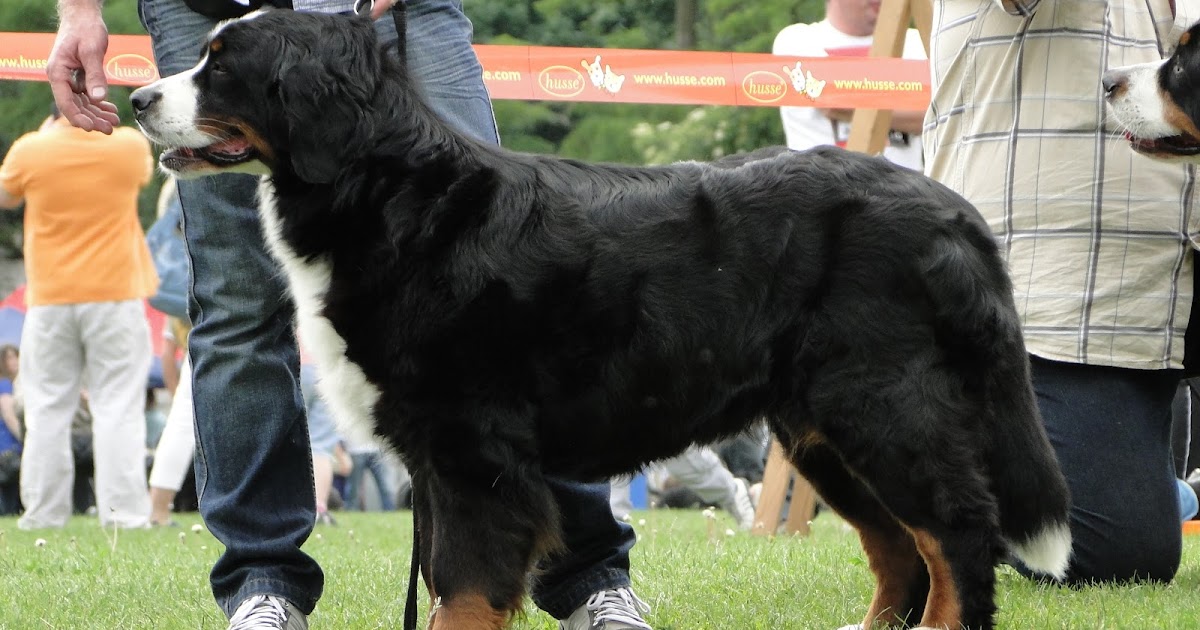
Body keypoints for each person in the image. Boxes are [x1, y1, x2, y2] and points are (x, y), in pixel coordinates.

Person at [49, 1, 651, 628]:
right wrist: (79, 10)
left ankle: (589, 578)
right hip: (204, 5)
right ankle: (264, 586)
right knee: (238, 309)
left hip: (400, 9)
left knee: (501, 276)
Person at [923, 0, 1200, 584]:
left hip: (1174, 272)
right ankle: (974, 461)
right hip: (1065, 294)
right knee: (1115, 558)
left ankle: (1144, 470)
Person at [0, 104, 156, 531]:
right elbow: (142, 176)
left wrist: (46, 133)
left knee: (47, 408)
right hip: (116, 293)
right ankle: (124, 515)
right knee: (118, 407)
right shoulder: (127, 145)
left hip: (50, 297)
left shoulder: (31, 149)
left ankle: (43, 514)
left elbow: (6, 197)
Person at [772, 0, 926, 169]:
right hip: (821, 189)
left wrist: (853, 106)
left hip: (904, 190)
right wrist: (906, 107)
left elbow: (939, 113)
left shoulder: (918, 42)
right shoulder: (797, 40)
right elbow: (829, 98)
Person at [0, 344, 22, 516]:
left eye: (15, 356)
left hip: (11, 447)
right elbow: (9, 416)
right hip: (9, 448)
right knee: (9, 497)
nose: (13, 361)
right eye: (8, 358)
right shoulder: (6, 386)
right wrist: (24, 438)